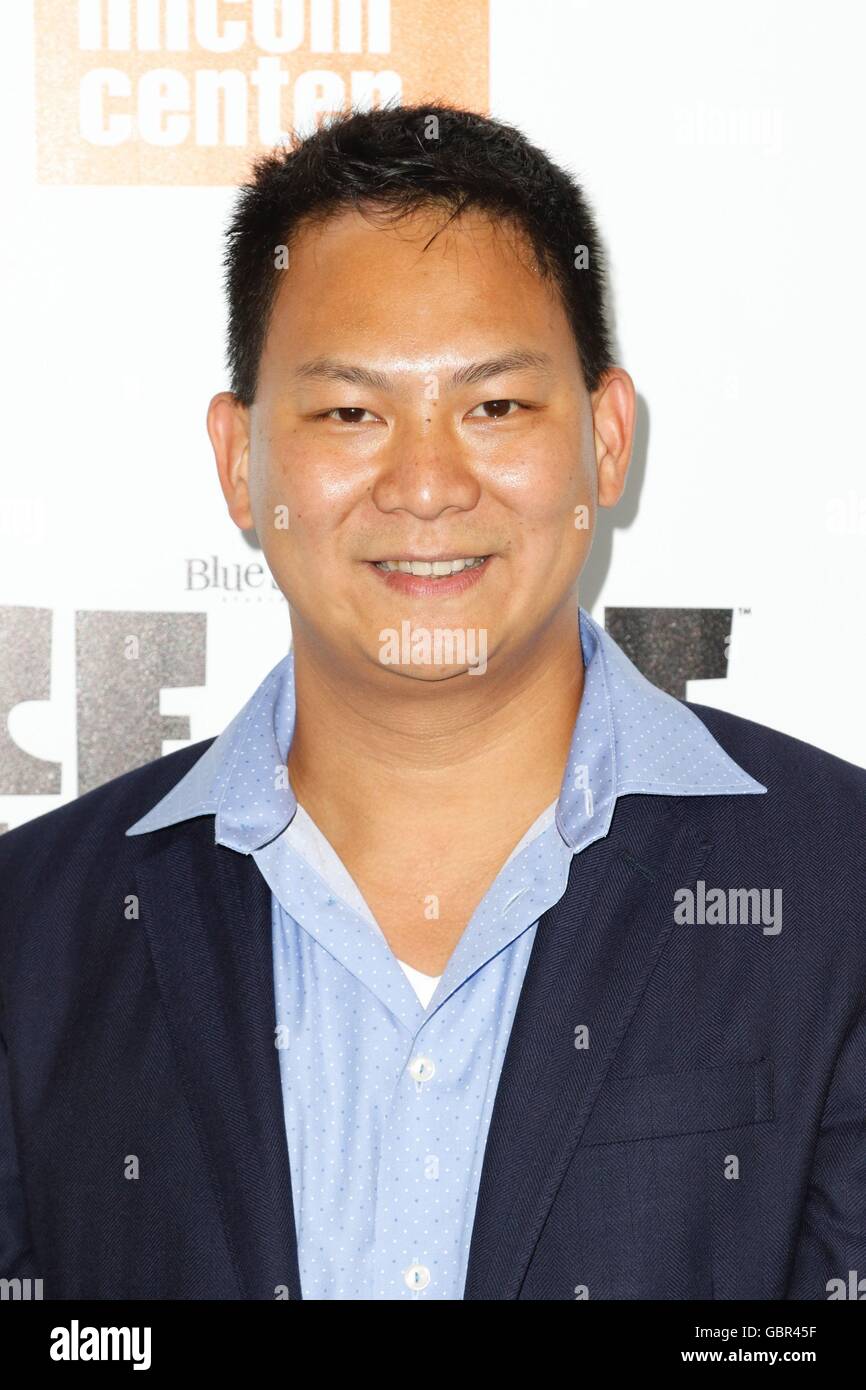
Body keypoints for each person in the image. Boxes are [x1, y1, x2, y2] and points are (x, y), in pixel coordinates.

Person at [1, 103, 864, 1302]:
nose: (423, 484)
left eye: (495, 407)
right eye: (349, 412)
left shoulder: (838, 890)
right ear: (237, 461)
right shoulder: (34, 934)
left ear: (606, 441)